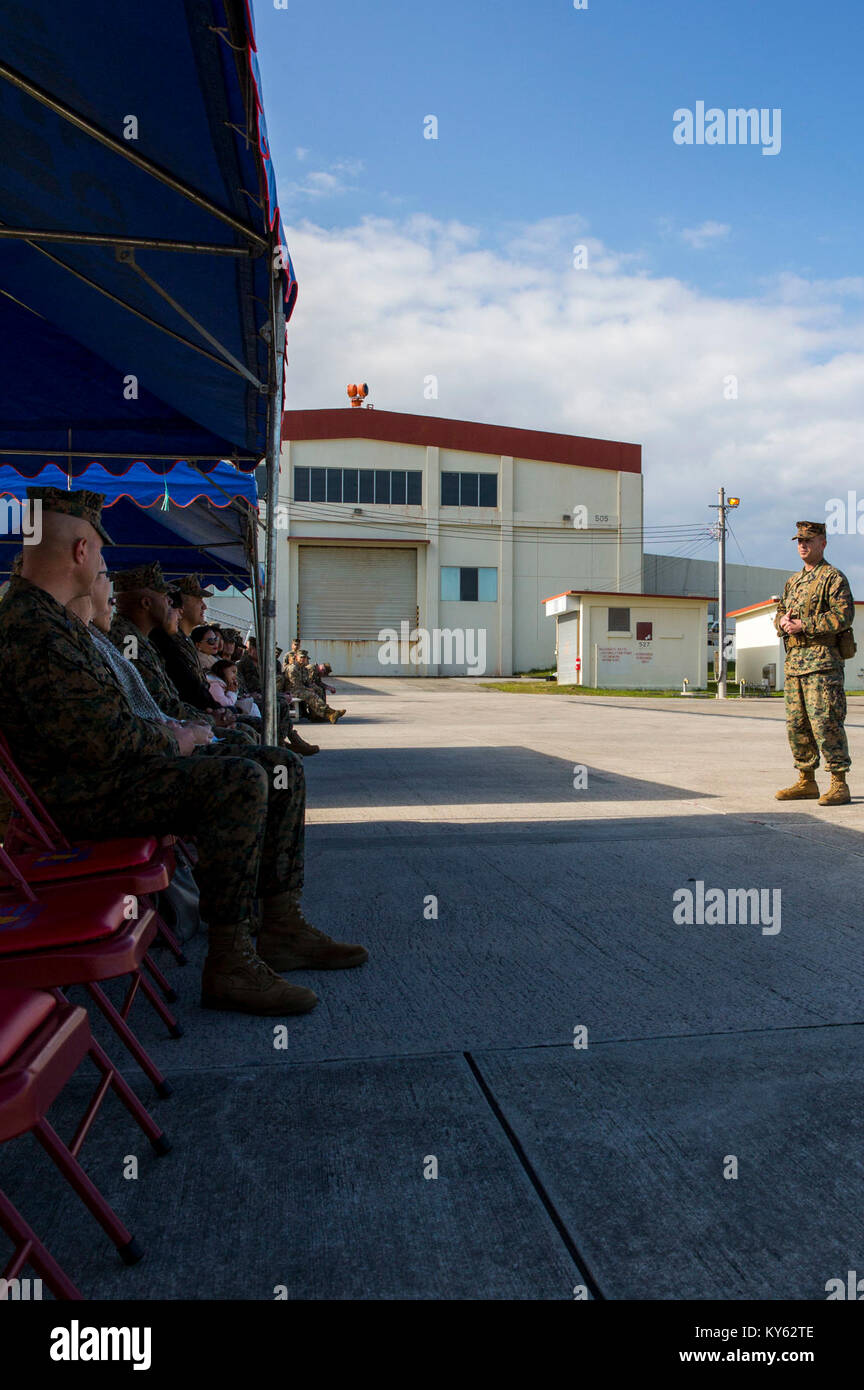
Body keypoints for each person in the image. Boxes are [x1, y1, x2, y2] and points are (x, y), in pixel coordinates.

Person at [0, 488, 367, 1017]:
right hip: (77, 800)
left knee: (278, 765)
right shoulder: (33, 628)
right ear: (81, 551)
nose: (103, 561)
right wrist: (177, 738)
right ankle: (231, 962)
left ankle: (281, 927)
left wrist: (178, 734)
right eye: (100, 551)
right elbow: (103, 741)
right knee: (239, 782)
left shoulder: (46, 619)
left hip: (104, 780)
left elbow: (111, 727)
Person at [774, 521, 854, 806]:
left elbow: (842, 617)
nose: (802, 545)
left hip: (822, 663)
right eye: (799, 541)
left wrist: (803, 625)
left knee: (826, 722)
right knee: (797, 725)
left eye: (809, 540)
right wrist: (781, 622)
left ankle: (838, 783)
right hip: (795, 664)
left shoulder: (833, 578)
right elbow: (781, 612)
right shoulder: (793, 581)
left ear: (823, 543)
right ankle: (806, 780)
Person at [289, 649, 346, 723]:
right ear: (296, 657)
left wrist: (310, 687)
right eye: (301, 657)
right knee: (312, 695)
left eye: (304, 658)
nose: (303, 659)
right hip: (293, 690)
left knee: (316, 690)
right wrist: (308, 689)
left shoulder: (302, 668)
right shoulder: (293, 668)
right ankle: (329, 713)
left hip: (300, 689)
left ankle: (322, 715)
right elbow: (296, 685)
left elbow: (307, 682)